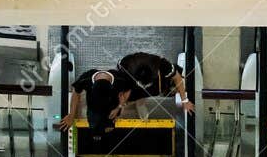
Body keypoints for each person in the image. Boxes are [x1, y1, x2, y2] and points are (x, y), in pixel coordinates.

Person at [54, 52, 195, 133]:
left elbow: (177, 78)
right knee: (134, 94)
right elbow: (127, 92)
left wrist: (184, 100)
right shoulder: (123, 74)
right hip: (129, 78)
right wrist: (120, 106)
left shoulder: (163, 66)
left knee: (181, 84)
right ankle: (139, 100)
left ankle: (141, 99)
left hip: (148, 80)